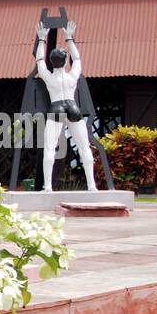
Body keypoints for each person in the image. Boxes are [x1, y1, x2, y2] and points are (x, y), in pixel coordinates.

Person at [35, 20, 98, 192]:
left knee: (49, 148)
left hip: (56, 107)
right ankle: (91, 185)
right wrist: (69, 38)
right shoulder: (72, 76)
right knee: (84, 147)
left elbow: (39, 60)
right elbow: (76, 58)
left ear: (52, 62)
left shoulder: (48, 76)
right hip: (73, 107)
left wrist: (42, 39)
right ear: (64, 62)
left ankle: (48, 186)